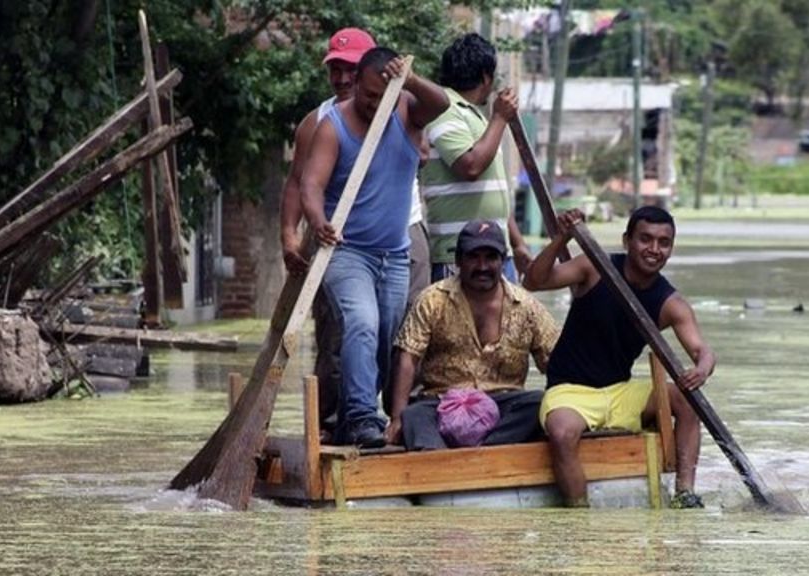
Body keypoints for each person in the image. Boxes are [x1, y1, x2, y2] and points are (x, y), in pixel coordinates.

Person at [300, 47, 449, 448]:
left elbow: (442, 102)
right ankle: (365, 418)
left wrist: (411, 80)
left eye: (380, 94)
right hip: (346, 252)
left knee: (386, 335)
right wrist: (318, 221)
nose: (372, 103)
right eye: (366, 94)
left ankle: (354, 416)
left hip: (395, 254)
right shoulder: (334, 125)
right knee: (361, 324)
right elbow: (310, 185)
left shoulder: (406, 111)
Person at [523, 206, 716, 508]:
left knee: (687, 397)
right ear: (627, 241)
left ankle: (684, 492)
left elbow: (701, 350)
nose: (654, 249)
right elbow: (534, 281)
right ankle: (578, 512)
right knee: (561, 432)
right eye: (645, 239)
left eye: (663, 242)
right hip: (570, 391)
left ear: (671, 248)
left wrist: (702, 369)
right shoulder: (595, 267)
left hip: (620, 392)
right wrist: (561, 239)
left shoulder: (671, 303)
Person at [386, 219, 558, 450]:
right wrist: (397, 418)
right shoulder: (432, 300)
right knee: (414, 415)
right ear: (458, 260)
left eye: (490, 257)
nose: (482, 266)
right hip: (442, 403)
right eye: (473, 257)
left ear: (503, 260)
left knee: (543, 403)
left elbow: (557, 362)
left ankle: (483, 453)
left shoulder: (526, 306)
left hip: (503, 404)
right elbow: (407, 358)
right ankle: (437, 456)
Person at [279, 27, 376, 437]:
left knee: (394, 334)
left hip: (393, 242)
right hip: (334, 246)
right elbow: (297, 181)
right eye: (334, 69)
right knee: (337, 341)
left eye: (350, 69)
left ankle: (383, 421)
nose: (341, 79)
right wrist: (288, 231)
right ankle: (332, 428)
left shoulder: (397, 113)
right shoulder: (315, 122)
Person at [420, 33, 531, 283]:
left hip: (497, 250)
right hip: (460, 256)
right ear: (485, 77)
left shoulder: (478, 117)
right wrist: (500, 118)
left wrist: (517, 243)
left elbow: (494, 188)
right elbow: (470, 168)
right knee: (459, 323)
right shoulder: (444, 110)